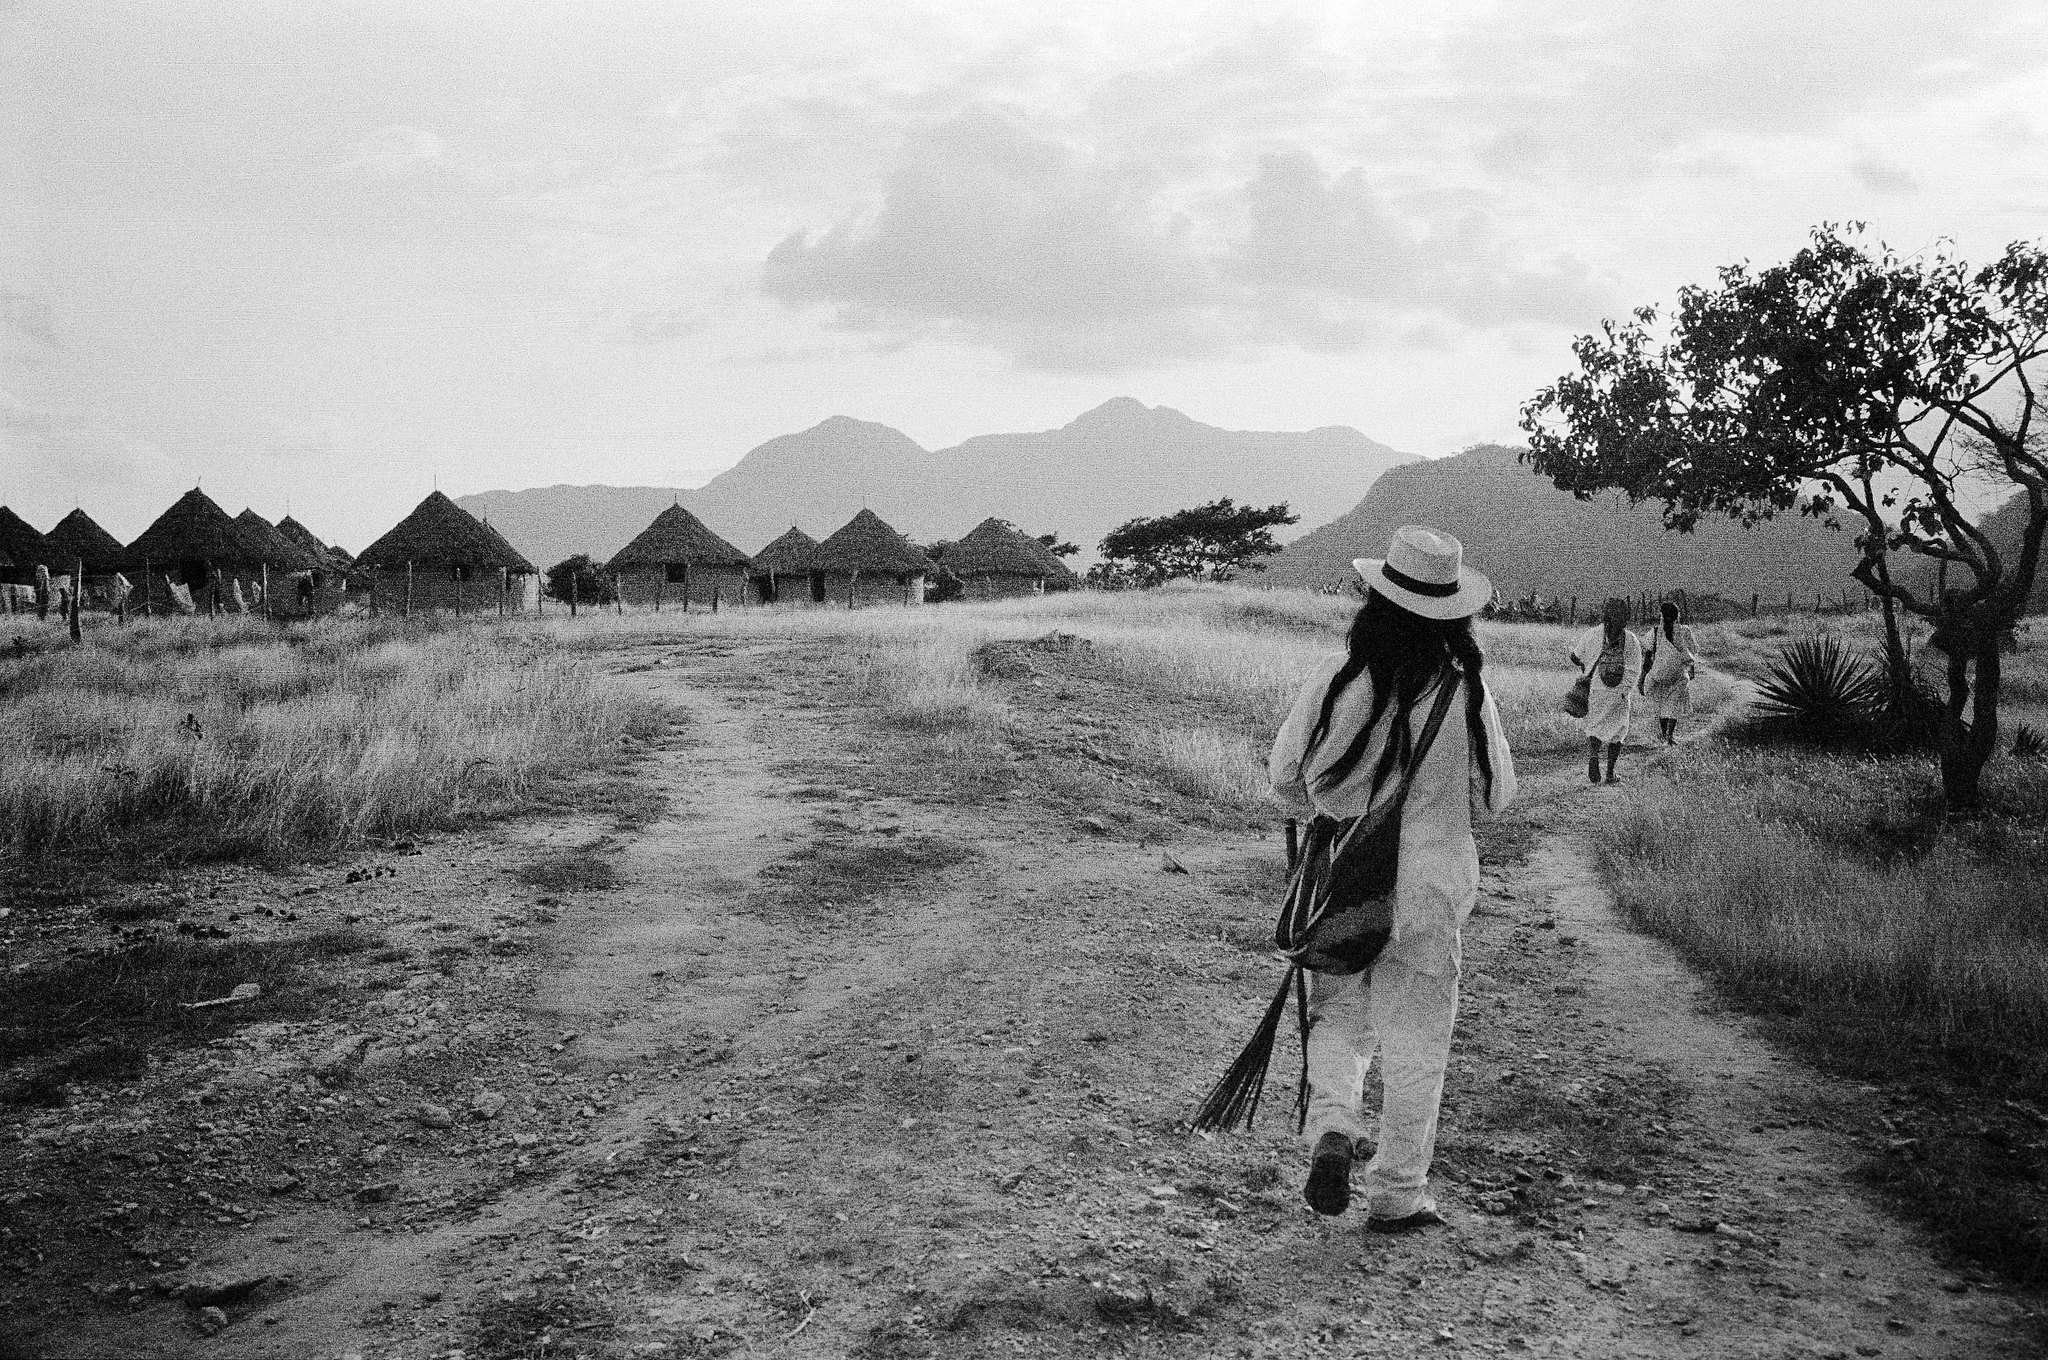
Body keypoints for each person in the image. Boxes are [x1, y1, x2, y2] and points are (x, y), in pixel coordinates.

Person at [1269, 526, 1517, 1229]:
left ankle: (1333, 1128)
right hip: (1433, 888)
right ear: (1453, 613)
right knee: (1416, 1045)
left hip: (1347, 882)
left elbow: (1284, 776)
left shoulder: (1339, 678)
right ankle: (1399, 1192)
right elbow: (1497, 795)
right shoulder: (1466, 690)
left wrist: (1333, 810)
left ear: (1374, 602)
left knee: (1339, 1017)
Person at [1571, 598, 1642, 784]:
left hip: (1596, 689)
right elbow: (1635, 668)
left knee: (1595, 726)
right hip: (1620, 692)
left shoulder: (1593, 634)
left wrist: (1586, 667)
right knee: (1617, 732)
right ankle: (1610, 773)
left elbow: (1574, 656)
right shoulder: (1631, 639)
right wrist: (1624, 689)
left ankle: (1594, 757)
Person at [1641, 600, 1698, 744]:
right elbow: (1691, 652)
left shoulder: (1655, 632)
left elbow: (1647, 657)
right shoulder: (1684, 631)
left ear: (1661, 615)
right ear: (1678, 615)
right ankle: (1669, 737)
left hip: (1658, 674)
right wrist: (1691, 670)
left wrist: (1642, 677)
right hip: (1678, 674)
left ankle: (1663, 735)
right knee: (1673, 705)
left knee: (1661, 704)